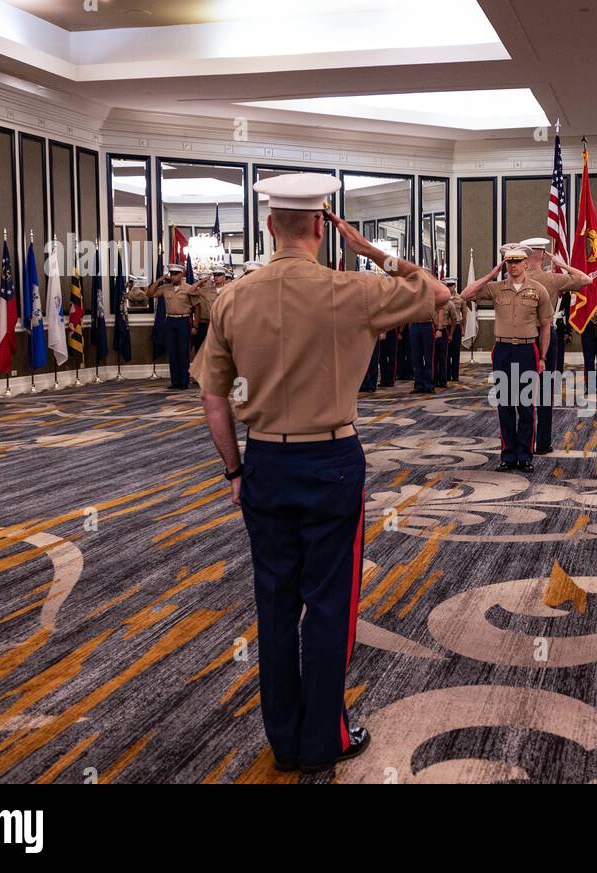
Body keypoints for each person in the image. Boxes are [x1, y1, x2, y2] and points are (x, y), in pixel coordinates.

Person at [192, 172, 447, 775]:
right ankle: (322, 738)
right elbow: (435, 293)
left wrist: (234, 468)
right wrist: (372, 251)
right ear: (320, 226)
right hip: (331, 462)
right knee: (331, 605)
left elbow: (213, 398)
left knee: (275, 603)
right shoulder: (353, 289)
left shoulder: (233, 297)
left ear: (268, 224)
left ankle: (283, 740)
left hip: (265, 463)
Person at [460, 245, 553, 472]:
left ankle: (525, 456)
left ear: (526, 263)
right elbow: (466, 294)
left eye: (517, 261)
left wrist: (543, 357)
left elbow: (545, 326)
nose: (513, 266)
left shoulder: (538, 290)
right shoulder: (495, 288)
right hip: (502, 350)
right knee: (505, 405)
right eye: (509, 262)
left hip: (527, 351)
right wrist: (492, 273)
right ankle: (508, 455)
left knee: (526, 405)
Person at [518, 237, 597, 455]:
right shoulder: (552, 278)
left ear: (525, 256)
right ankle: (543, 443)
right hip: (547, 333)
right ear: (543, 255)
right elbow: (585, 279)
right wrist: (562, 265)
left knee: (518, 387)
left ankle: (523, 440)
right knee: (545, 389)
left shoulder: (517, 278)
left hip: (521, 335)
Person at [146, 263, 197, 389]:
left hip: (183, 321)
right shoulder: (166, 288)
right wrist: (158, 281)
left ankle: (184, 381)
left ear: (182, 274)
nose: (173, 276)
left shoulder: (189, 288)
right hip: (170, 321)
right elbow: (149, 293)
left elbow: (197, 306)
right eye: (171, 274)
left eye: (175, 274)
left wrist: (195, 325)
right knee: (172, 352)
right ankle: (175, 381)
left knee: (183, 352)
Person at [192, 266, 229, 351]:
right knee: (201, 348)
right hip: (207, 322)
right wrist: (201, 281)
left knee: (219, 349)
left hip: (222, 324)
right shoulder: (207, 290)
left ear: (224, 277)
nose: (216, 277)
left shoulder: (229, 289)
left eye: (219, 275)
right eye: (215, 275)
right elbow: (190, 291)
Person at [446, 278, 465, 381]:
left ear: (455, 286)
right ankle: (447, 374)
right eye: (448, 286)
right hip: (446, 326)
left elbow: (464, 314)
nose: (450, 288)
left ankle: (455, 375)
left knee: (456, 351)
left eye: (451, 286)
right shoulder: (443, 298)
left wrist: (463, 328)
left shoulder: (460, 298)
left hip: (457, 326)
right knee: (447, 352)